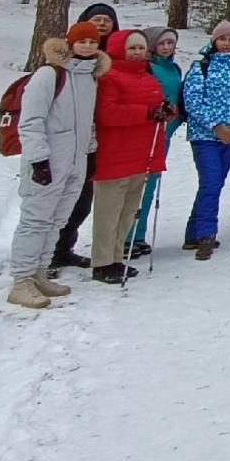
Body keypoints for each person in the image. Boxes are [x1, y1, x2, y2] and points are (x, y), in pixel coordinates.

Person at [6, 21, 107, 309]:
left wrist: (89, 153)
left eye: (92, 41)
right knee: (35, 220)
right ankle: (21, 280)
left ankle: (40, 270)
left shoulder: (90, 77)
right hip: (47, 161)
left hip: (75, 162)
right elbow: (31, 120)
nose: (87, 46)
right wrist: (38, 158)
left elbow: (86, 123)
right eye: (82, 41)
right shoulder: (49, 75)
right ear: (70, 43)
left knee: (57, 220)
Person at [90, 29, 172, 284]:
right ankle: (102, 261)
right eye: (132, 48)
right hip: (116, 154)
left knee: (128, 211)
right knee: (109, 212)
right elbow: (108, 114)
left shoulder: (147, 76)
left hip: (142, 153)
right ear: (119, 50)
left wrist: (167, 110)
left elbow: (157, 106)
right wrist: (147, 113)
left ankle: (116, 256)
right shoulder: (110, 76)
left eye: (140, 48)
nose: (137, 53)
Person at [49, 1, 121, 271]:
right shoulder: (61, 63)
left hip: (95, 138)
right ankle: (45, 253)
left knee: (82, 200)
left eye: (107, 21)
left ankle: (64, 247)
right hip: (65, 139)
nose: (102, 25)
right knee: (59, 199)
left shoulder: (112, 60)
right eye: (96, 20)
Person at [179, 20, 230, 261]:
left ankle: (194, 231)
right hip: (205, 136)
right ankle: (206, 235)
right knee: (210, 183)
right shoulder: (200, 67)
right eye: (223, 39)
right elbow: (193, 102)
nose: (227, 44)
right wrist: (216, 126)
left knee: (214, 185)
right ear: (214, 41)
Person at [123, 26, 186, 260]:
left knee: (151, 184)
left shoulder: (174, 68)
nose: (167, 48)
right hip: (145, 132)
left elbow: (177, 98)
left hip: (164, 133)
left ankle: (139, 234)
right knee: (137, 184)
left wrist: (177, 118)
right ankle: (126, 235)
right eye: (162, 44)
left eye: (170, 43)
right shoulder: (148, 68)